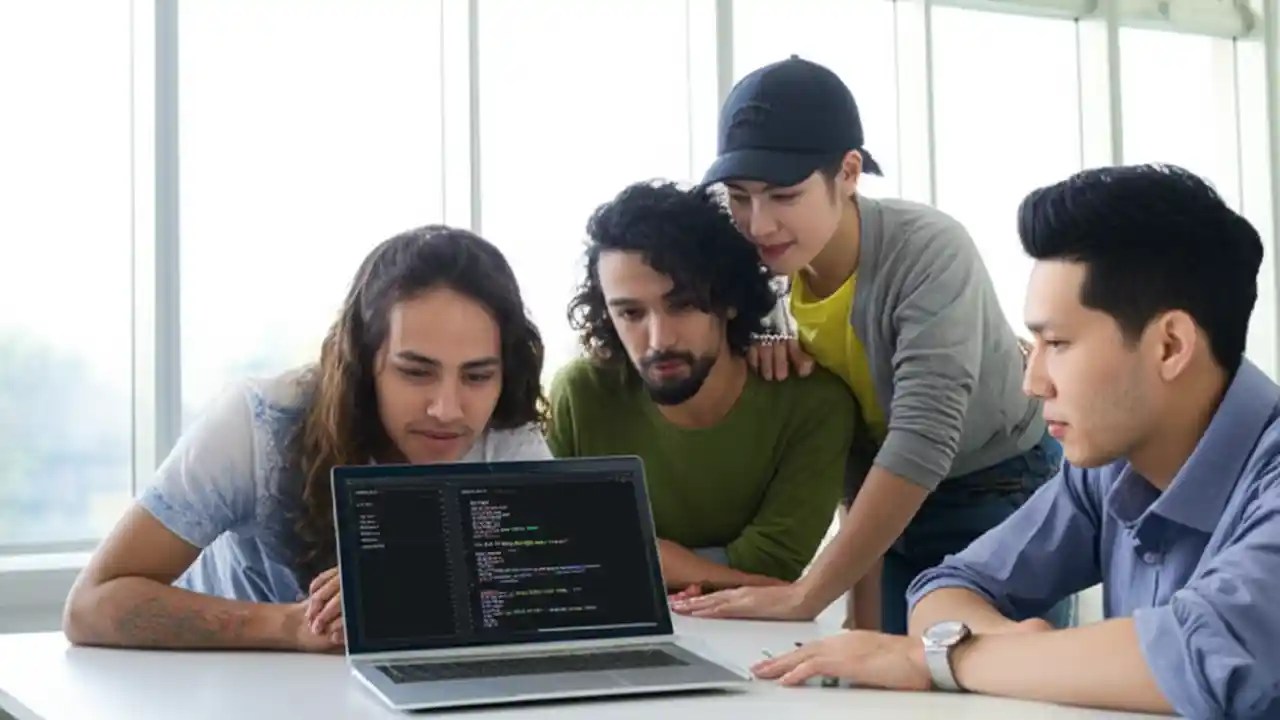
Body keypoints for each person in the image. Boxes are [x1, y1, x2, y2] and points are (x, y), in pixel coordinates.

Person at [752, 164, 1280, 718]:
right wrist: (1001, 651)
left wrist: (950, 660)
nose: (1032, 381)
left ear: (1170, 346)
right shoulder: (1106, 469)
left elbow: (1202, 652)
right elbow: (947, 585)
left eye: (1057, 342)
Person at [673, 55, 1067, 633]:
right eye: (739, 196)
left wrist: (807, 595)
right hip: (881, 503)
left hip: (996, 486)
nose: (758, 224)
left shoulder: (930, 250)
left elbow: (924, 437)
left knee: (997, 683)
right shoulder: (763, 272)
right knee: (873, 677)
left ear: (849, 172)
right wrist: (759, 334)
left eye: (783, 196)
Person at [62, 225, 551, 652]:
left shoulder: (508, 438)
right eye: (416, 372)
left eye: (477, 377)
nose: (447, 410)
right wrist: (293, 626)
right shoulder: (257, 424)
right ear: (362, 363)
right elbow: (91, 605)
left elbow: (557, 596)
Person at [547, 180, 856, 593]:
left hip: (748, 635)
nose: (659, 340)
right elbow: (557, 551)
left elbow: (773, 564)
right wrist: (702, 569)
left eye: (683, 305)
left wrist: (637, 556)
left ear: (728, 299)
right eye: (631, 313)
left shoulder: (812, 405)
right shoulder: (581, 396)